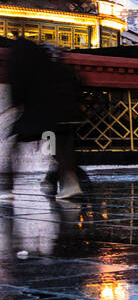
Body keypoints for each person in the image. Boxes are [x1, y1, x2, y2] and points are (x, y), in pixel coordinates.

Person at [2, 38, 86, 200]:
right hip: (58, 117)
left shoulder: (26, 62)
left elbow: (19, 88)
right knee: (57, 149)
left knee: (15, 147)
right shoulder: (60, 68)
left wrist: (16, 103)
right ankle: (70, 183)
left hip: (35, 116)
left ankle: (7, 188)